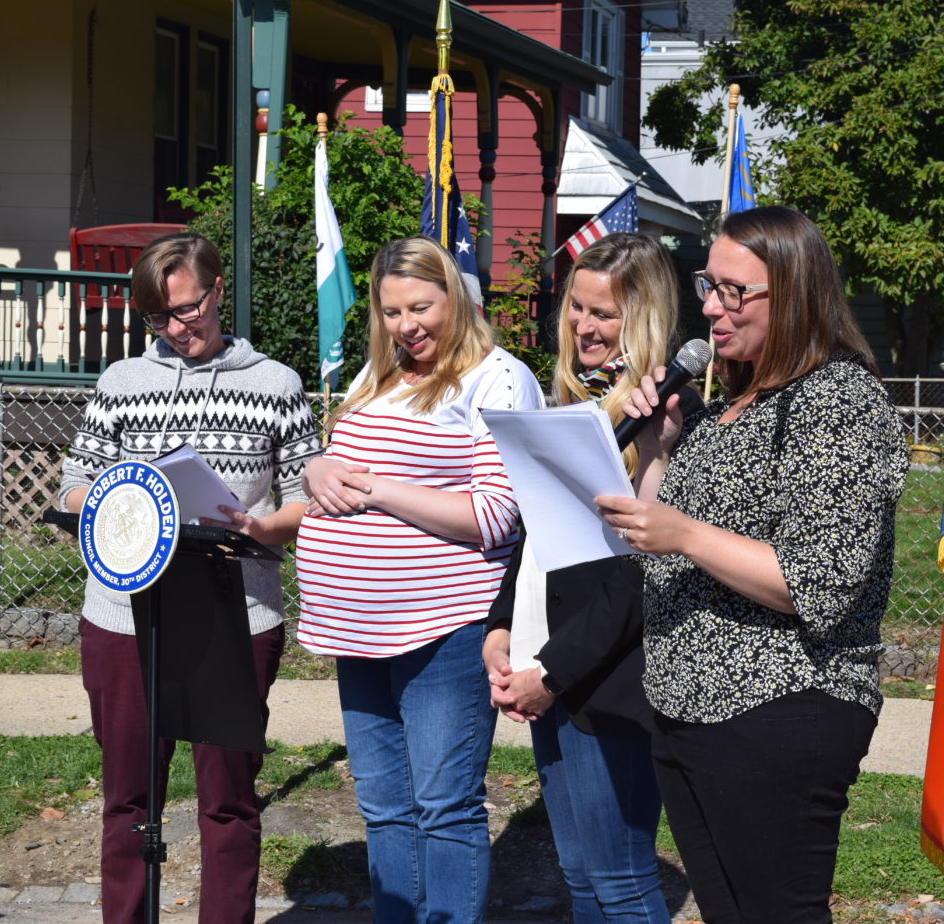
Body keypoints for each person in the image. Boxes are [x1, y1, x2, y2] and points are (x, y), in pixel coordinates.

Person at [595, 206, 909, 924]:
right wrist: (665, 444)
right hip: (688, 706)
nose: (710, 306)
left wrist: (687, 534)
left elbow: (820, 581)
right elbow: (655, 537)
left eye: (734, 291)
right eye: (710, 284)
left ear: (794, 292)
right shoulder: (732, 405)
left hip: (781, 702)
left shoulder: (837, 398)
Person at [59, 232, 320, 924]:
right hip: (124, 615)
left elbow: (308, 499)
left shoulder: (276, 384)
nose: (177, 328)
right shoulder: (121, 384)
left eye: (188, 309)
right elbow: (74, 489)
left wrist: (265, 528)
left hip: (238, 617)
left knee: (229, 799)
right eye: (157, 318)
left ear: (217, 290)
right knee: (127, 799)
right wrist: (127, 497)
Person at [293, 235, 543, 922]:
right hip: (358, 632)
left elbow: (497, 516)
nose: (409, 325)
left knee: (444, 806)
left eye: (422, 306)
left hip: (445, 629)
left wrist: (378, 489)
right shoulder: (377, 376)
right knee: (383, 808)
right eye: (393, 311)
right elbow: (337, 469)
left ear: (456, 297)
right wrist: (317, 468)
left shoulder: (498, 377)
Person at [481, 232, 681, 924]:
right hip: (552, 664)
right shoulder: (572, 403)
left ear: (644, 317)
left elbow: (638, 583)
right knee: (580, 876)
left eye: (605, 314)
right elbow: (533, 535)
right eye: (578, 309)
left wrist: (552, 672)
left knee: (621, 881)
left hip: (612, 681)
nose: (585, 327)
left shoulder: (664, 422)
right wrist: (501, 628)